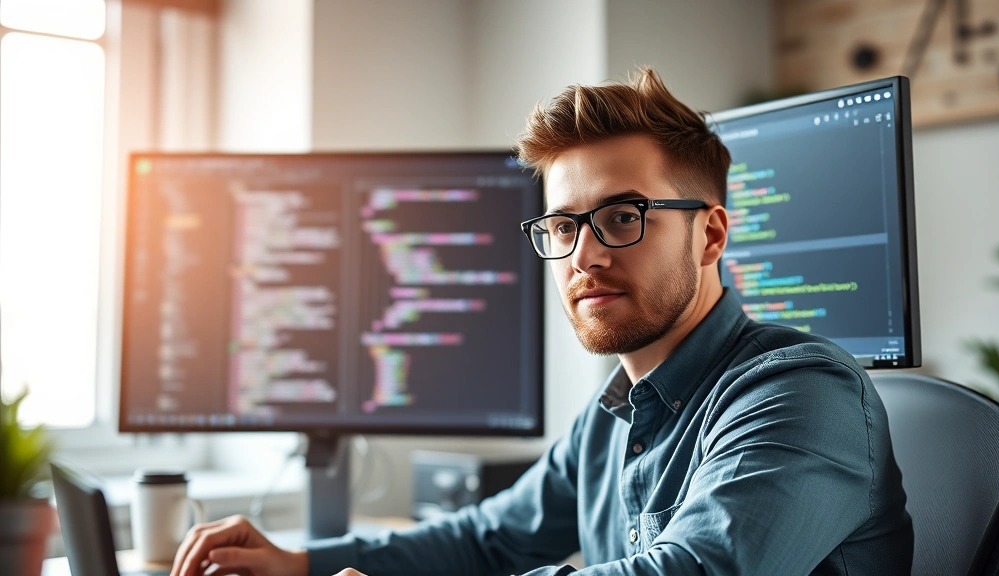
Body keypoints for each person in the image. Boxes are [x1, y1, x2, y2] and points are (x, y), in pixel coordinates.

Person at [170, 68, 913, 576]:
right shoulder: (617, 410)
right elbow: (488, 540)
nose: (583, 255)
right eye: (562, 227)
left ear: (711, 235)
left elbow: (696, 569)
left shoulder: (800, 391)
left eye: (623, 216)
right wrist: (301, 563)